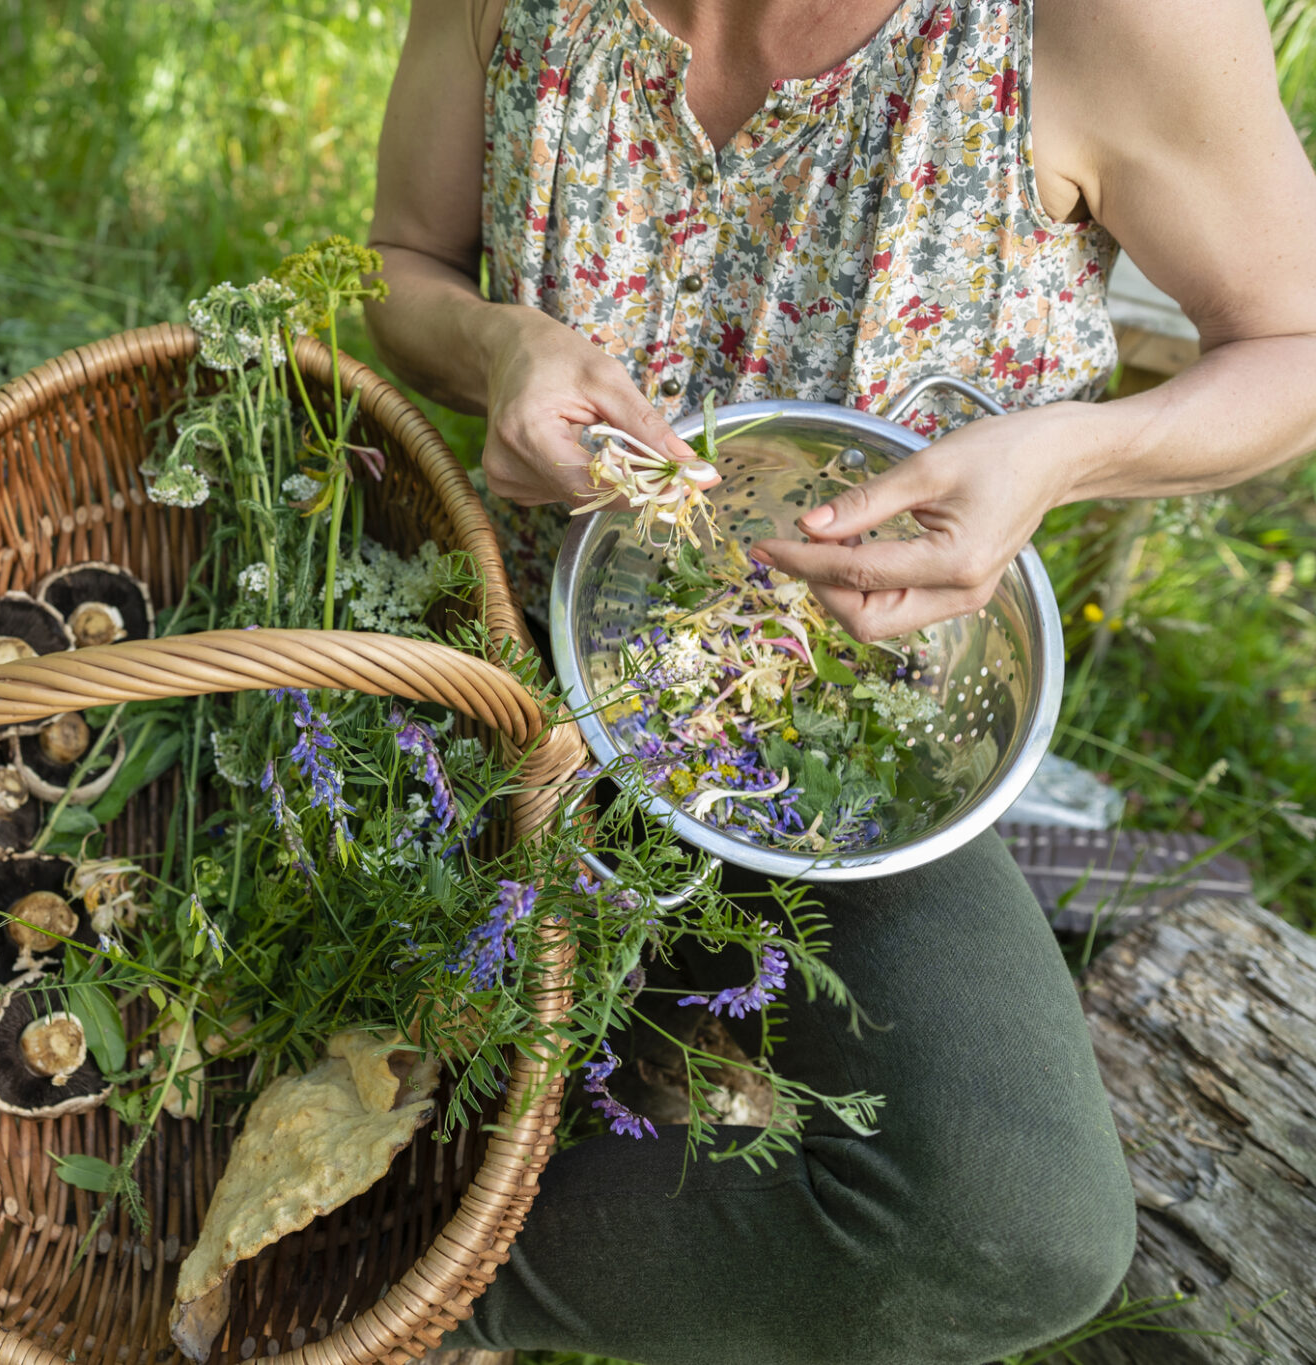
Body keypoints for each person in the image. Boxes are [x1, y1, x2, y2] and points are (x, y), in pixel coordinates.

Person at [364, 1, 1316, 1361]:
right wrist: (493, 347)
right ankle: (338, 1228)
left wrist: (1062, 453)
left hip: (839, 758)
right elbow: (396, 262)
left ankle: (420, 1281)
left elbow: (1295, 342)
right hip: (499, 657)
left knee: (1010, 1219)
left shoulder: (1105, 20)